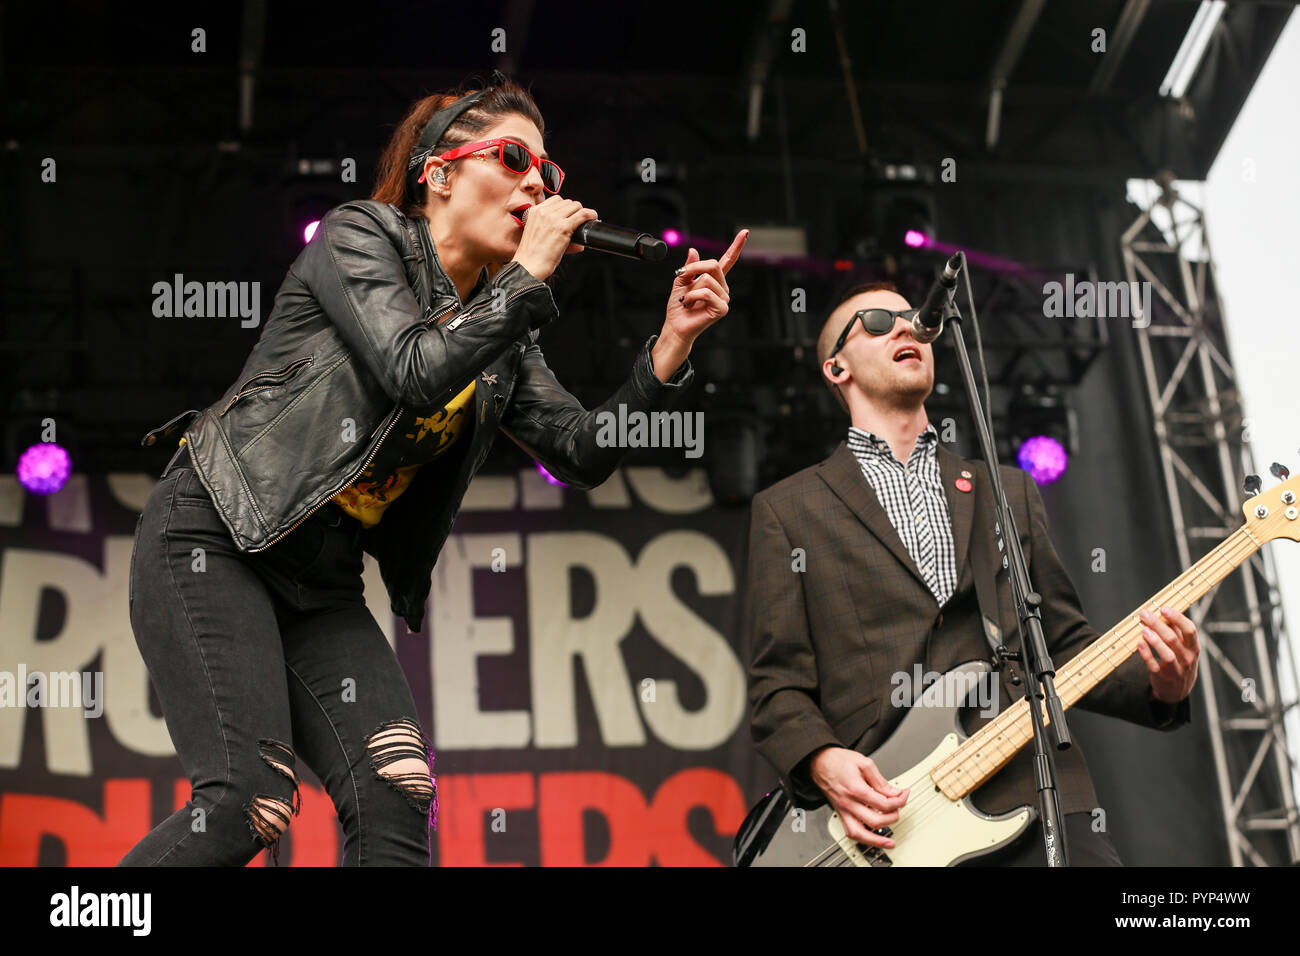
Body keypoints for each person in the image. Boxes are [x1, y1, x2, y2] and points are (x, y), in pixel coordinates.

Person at [122, 70, 748, 866]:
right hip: (214, 535)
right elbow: (411, 368)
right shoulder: (360, 237)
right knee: (253, 798)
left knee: (398, 794)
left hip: (321, 580)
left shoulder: (505, 338)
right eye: (515, 157)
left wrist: (670, 349)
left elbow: (583, 454)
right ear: (439, 172)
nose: (538, 182)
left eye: (548, 173)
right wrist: (524, 281)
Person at [744, 280, 1198, 866]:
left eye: (914, 318)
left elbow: (1063, 644)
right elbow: (777, 685)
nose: (907, 328)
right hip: (893, 819)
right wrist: (821, 760)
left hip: (1039, 792)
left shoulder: (1004, 489)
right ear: (837, 369)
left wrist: (1162, 687)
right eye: (878, 322)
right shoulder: (790, 509)